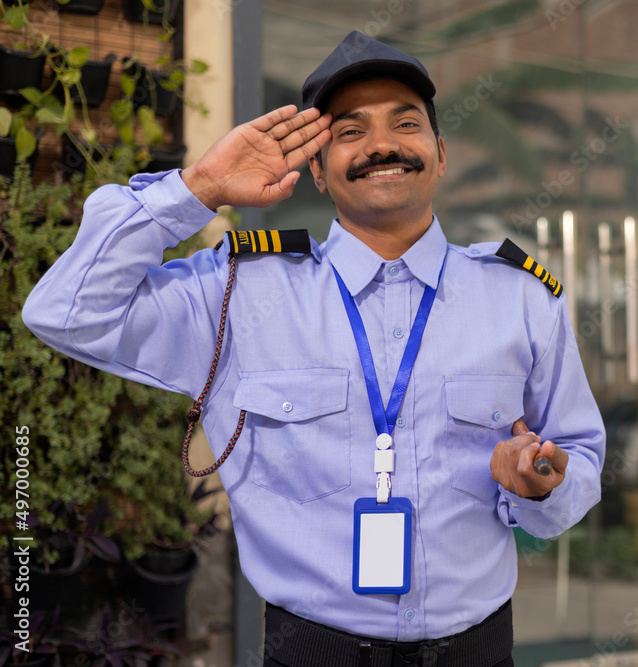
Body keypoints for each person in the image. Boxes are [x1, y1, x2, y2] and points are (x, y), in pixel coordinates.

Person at [23, 31, 605, 666]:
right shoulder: (238, 294)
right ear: (319, 172)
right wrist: (200, 187)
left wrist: (541, 484)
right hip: (311, 652)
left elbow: (577, 456)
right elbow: (67, 314)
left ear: (439, 153)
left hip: (480, 651)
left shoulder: (520, 298)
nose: (382, 144)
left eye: (405, 124)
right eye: (349, 132)